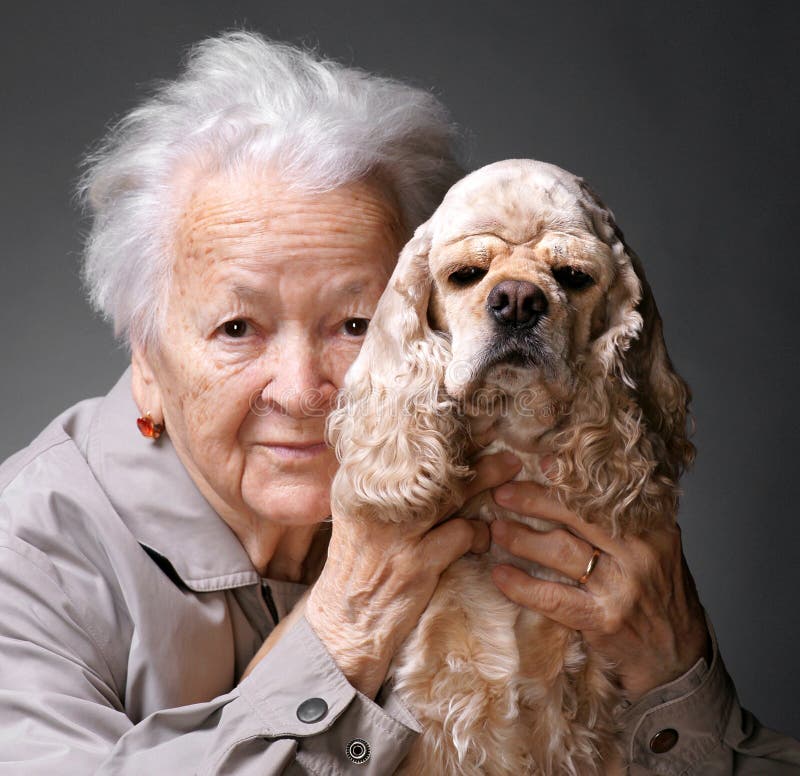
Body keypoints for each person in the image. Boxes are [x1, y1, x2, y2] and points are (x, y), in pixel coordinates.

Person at [0, 31, 797, 775]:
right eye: (237, 327)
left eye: (354, 322)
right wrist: (342, 631)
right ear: (144, 356)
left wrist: (675, 676)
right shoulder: (28, 557)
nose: (305, 390)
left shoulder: (509, 495)